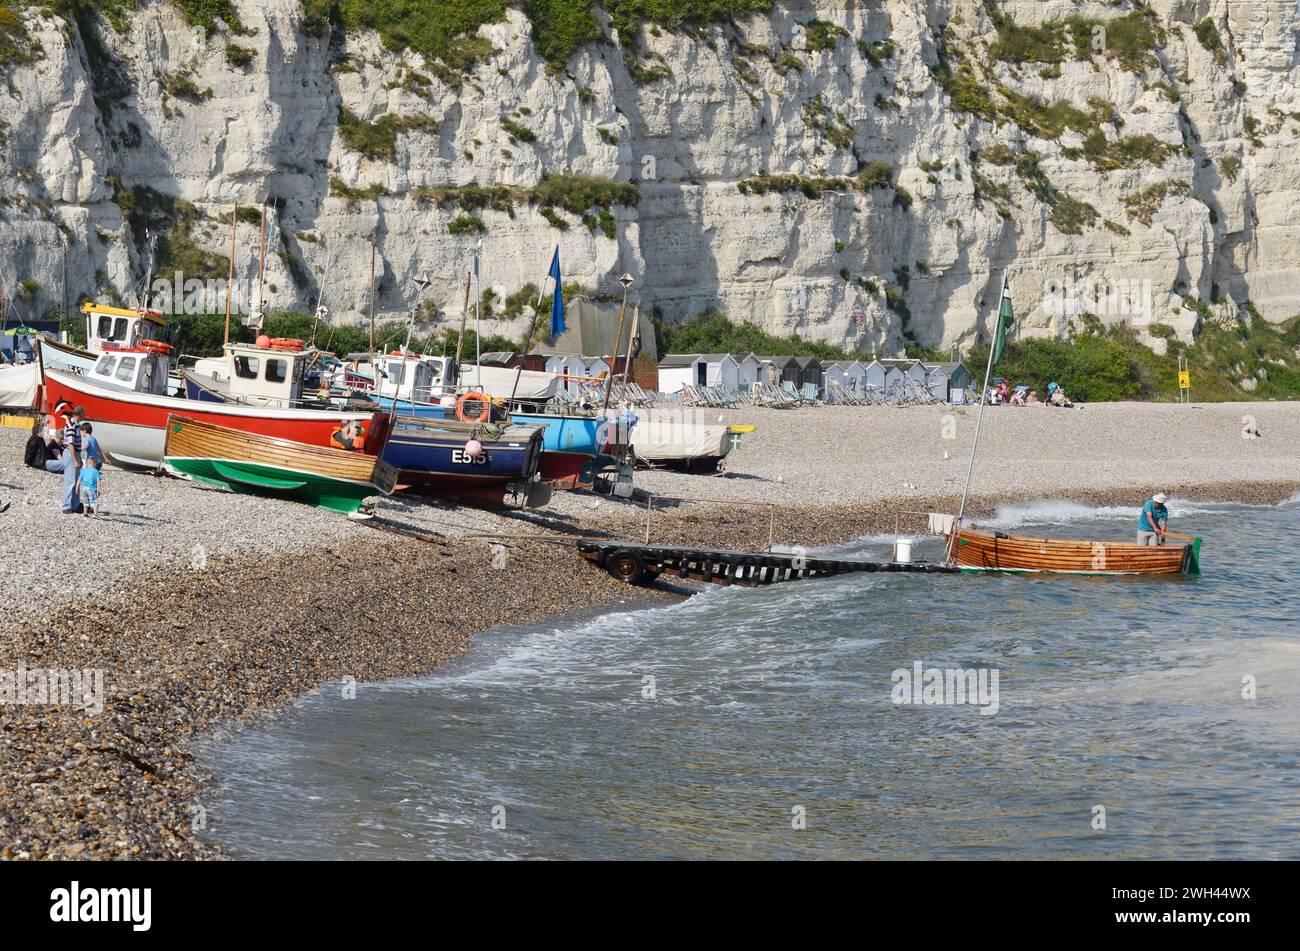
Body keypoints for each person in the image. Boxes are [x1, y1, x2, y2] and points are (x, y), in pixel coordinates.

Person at [59, 405, 85, 514]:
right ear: (80, 415)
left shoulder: (76, 425)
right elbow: (70, 444)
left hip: (75, 453)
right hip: (71, 454)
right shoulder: (71, 425)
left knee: (76, 481)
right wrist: (75, 460)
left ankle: (75, 505)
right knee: (70, 481)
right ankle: (66, 506)